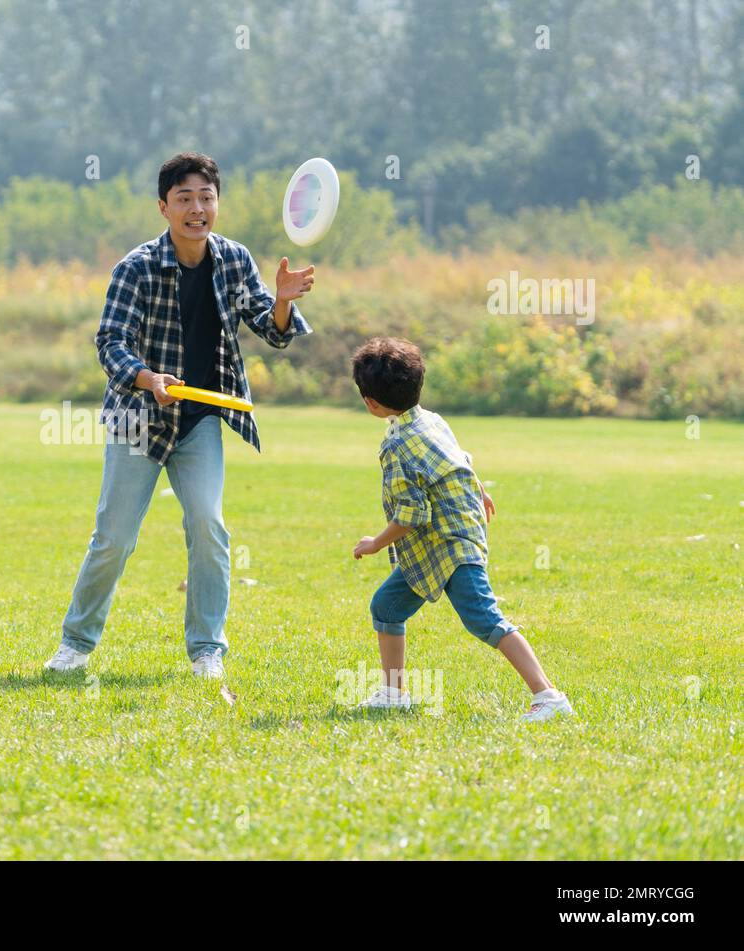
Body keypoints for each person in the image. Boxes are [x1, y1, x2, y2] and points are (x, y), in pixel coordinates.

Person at [45, 152, 315, 679]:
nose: (197, 209)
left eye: (206, 198)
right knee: (114, 538)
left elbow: (272, 328)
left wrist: (281, 301)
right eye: (185, 199)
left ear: (217, 204)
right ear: (164, 207)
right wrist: (150, 380)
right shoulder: (137, 268)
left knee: (209, 526)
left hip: (198, 422)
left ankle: (207, 650)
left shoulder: (234, 260)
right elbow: (110, 342)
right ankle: (75, 643)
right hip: (138, 419)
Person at [349, 336, 573, 721]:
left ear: (370, 402)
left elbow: (409, 515)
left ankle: (549, 695)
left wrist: (375, 542)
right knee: (386, 607)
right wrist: (479, 489)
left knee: (483, 618)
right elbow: (459, 461)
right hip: (434, 545)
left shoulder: (399, 446)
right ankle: (392, 693)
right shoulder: (429, 419)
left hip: (452, 543)